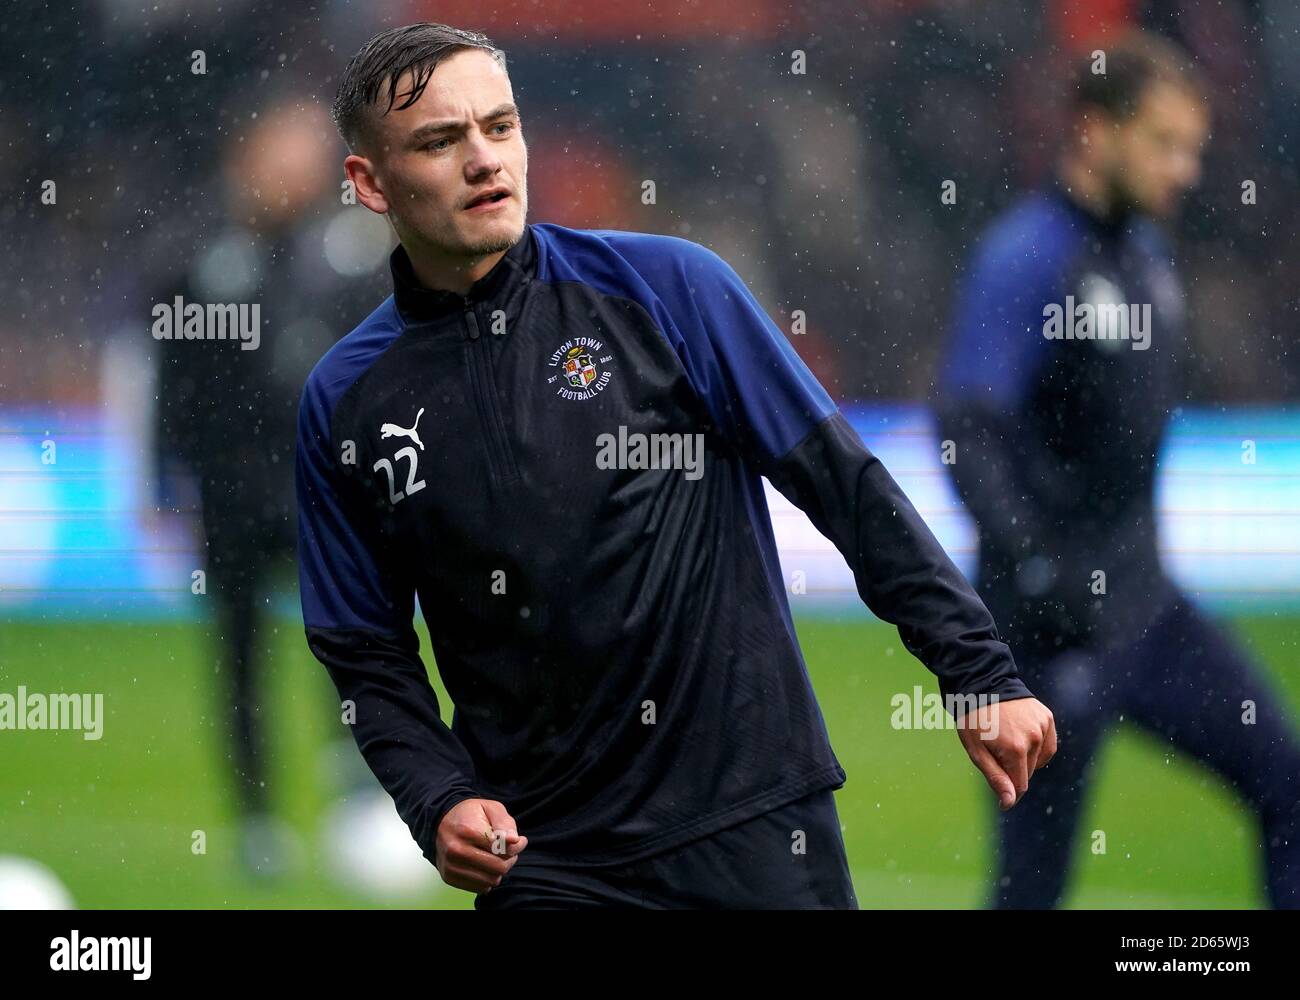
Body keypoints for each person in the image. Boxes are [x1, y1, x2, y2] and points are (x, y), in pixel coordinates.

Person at [296, 22, 1055, 909]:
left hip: (754, 822)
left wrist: (977, 670)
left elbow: (845, 487)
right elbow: (364, 649)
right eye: (440, 140)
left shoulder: (670, 290)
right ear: (368, 183)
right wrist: (438, 798)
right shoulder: (344, 400)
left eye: (500, 127)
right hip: (546, 861)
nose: (483, 159)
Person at [934, 30, 1300, 908]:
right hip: (1050, 633)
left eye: (1194, 149)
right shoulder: (1027, 258)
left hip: (1145, 608)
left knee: (1286, 783)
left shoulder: (1147, 255)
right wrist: (1038, 571)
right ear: (1096, 132)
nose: (1185, 170)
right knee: (1033, 886)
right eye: (1165, 144)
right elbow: (965, 429)